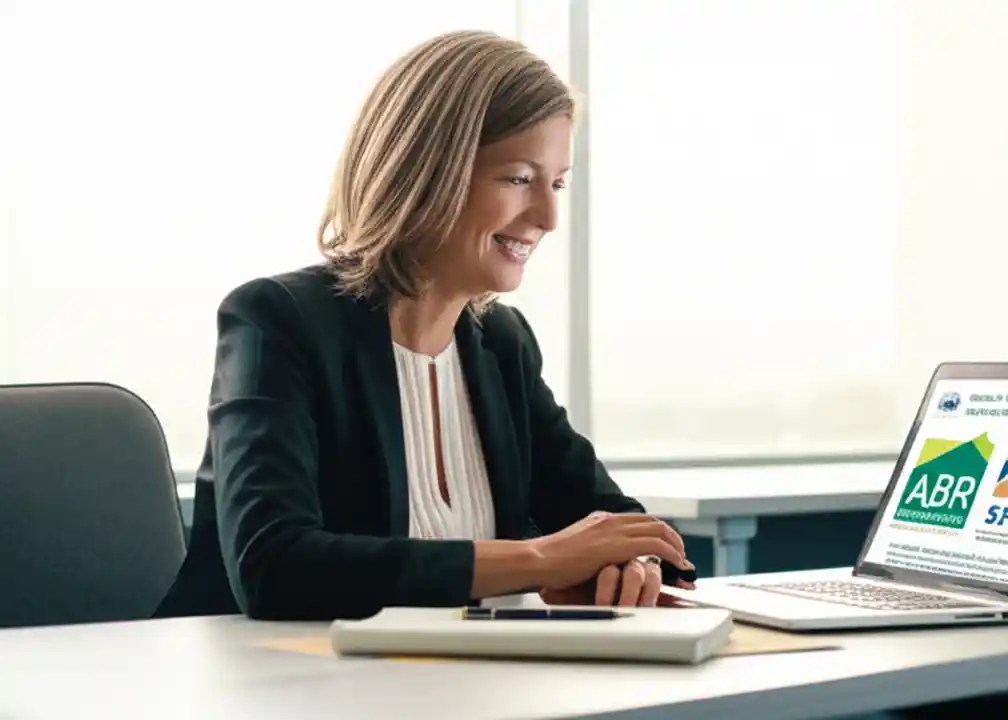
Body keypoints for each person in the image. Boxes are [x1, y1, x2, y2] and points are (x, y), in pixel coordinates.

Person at [155, 30, 694, 621]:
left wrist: (630, 566)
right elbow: (275, 568)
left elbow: (615, 524)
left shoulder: (502, 344)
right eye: (519, 178)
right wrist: (539, 560)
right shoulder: (278, 322)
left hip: (455, 689)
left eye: (557, 183)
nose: (547, 216)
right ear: (428, 170)